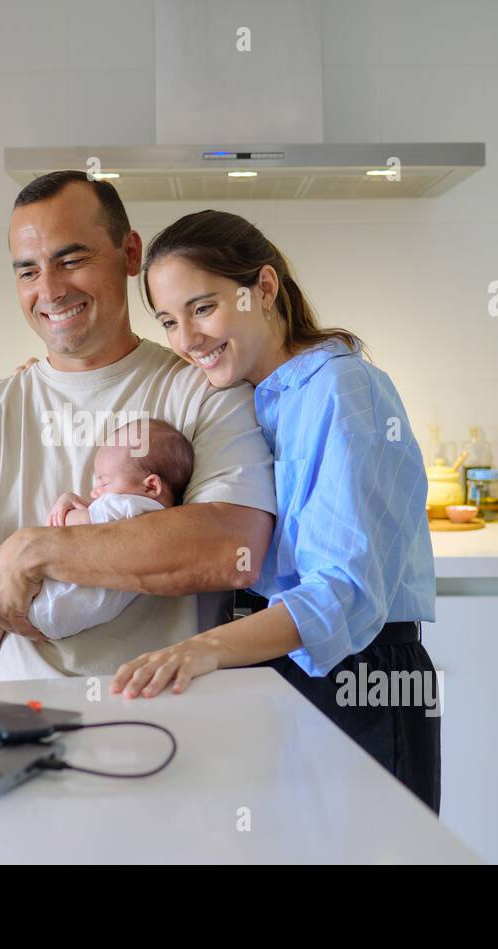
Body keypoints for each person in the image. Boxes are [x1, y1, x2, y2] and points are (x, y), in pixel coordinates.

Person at [0, 172, 276, 680]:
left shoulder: (206, 391)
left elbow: (233, 548)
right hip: (11, 729)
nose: (49, 290)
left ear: (130, 252)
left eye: (72, 260)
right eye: (27, 271)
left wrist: (37, 550)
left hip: (165, 723)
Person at [109, 210, 441, 811]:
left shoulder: (344, 389)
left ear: (263, 288)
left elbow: (344, 589)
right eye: (168, 321)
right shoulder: (247, 398)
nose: (185, 340)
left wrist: (203, 649)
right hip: (279, 665)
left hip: (359, 678)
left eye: (202, 308)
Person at [0, 418, 194, 677]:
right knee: (3, 597)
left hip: (55, 602)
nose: (95, 492)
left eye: (104, 482)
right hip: (73, 614)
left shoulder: (128, 505)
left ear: (151, 485)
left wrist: (66, 504)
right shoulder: (163, 519)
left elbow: (68, 525)